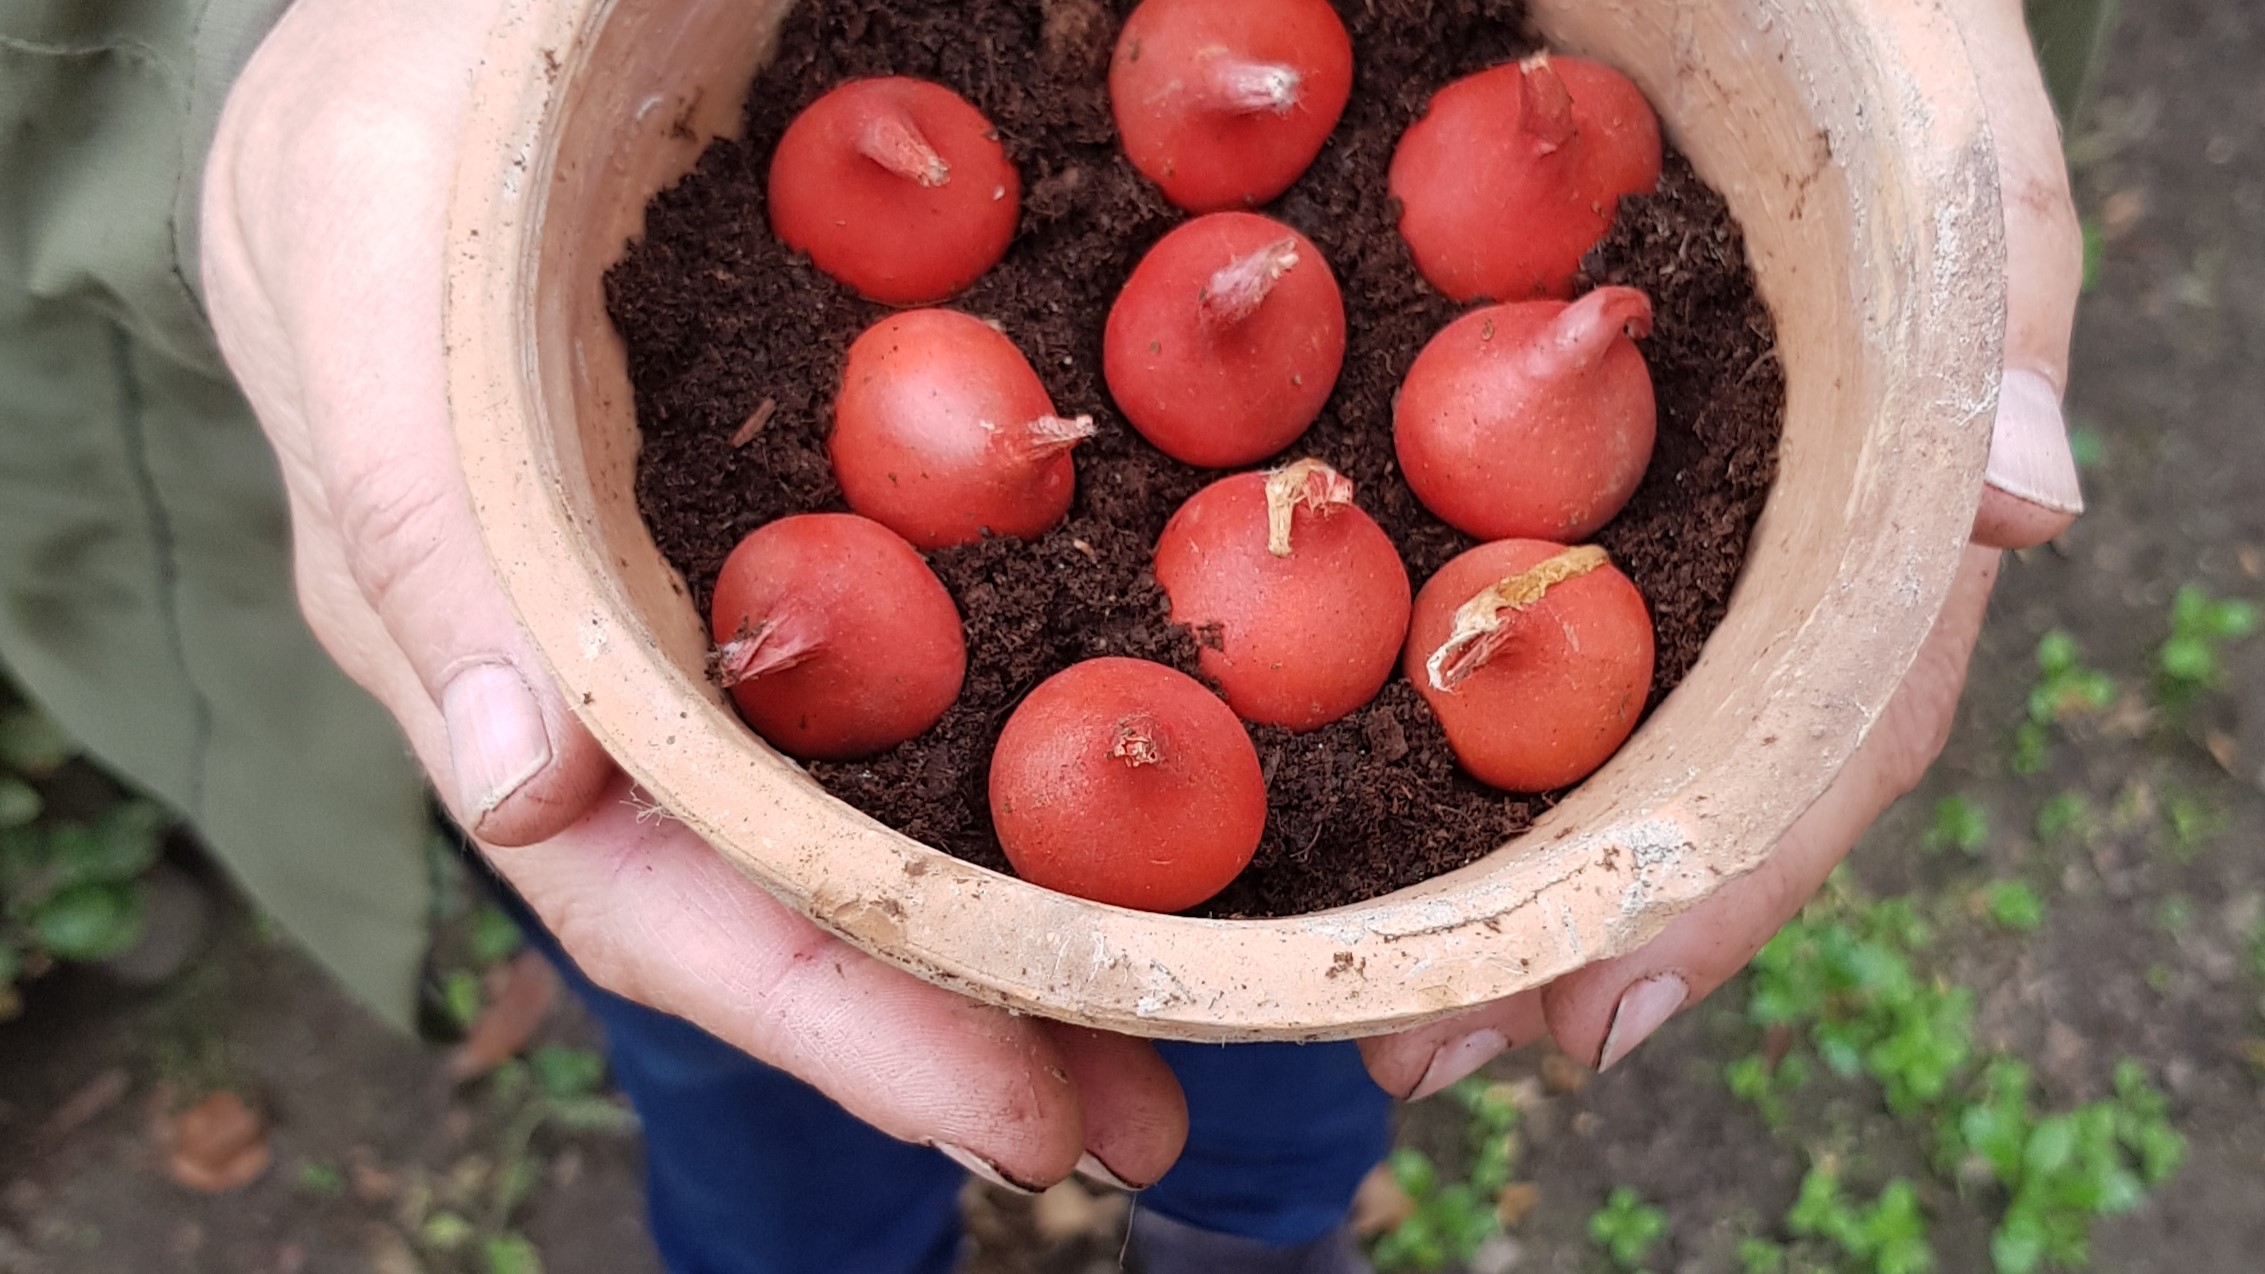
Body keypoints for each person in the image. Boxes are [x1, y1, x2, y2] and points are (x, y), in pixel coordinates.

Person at [0, 0, 2090, 1269]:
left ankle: (1249, 1238)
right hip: (711, 754)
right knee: (739, 1063)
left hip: (1280, 910)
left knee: (1278, 1098)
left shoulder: (1402, 403)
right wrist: (252, 61)